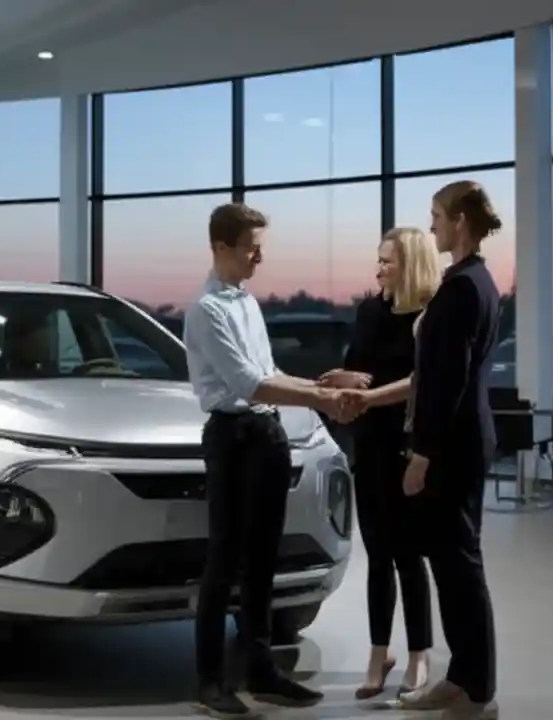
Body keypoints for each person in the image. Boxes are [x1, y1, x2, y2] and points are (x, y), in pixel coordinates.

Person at [182, 202, 362, 719]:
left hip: (267, 435)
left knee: (264, 558)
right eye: (250, 248)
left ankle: (261, 671)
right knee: (224, 561)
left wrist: (323, 384)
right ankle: (210, 680)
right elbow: (249, 384)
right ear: (220, 247)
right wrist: (323, 401)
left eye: (260, 246)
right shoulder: (207, 309)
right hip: (232, 438)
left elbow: (270, 370)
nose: (259, 256)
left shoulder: (246, 303)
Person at [368, 180, 503, 720]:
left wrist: (422, 455)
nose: (433, 227)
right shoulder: (477, 282)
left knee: (459, 566)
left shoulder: (463, 288)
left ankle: (474, 688)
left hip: (452, 447)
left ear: (460, 222)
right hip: (464, 440)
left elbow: (445, 381)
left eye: (438, 217)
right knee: (453, 564)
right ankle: (464, 678)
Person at [318, 227, 442, 699]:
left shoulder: (430, 317)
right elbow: (355, 366)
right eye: (378, 260)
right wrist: (346, 377)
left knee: (409, 555)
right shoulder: (370, 311)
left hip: (407, 447)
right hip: (368, 446)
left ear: (410, 264)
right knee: (378, 557)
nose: (379, 270)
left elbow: (420, 382)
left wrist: (367, 393)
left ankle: (419, 656)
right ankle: (378, 653)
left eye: (387, 261)